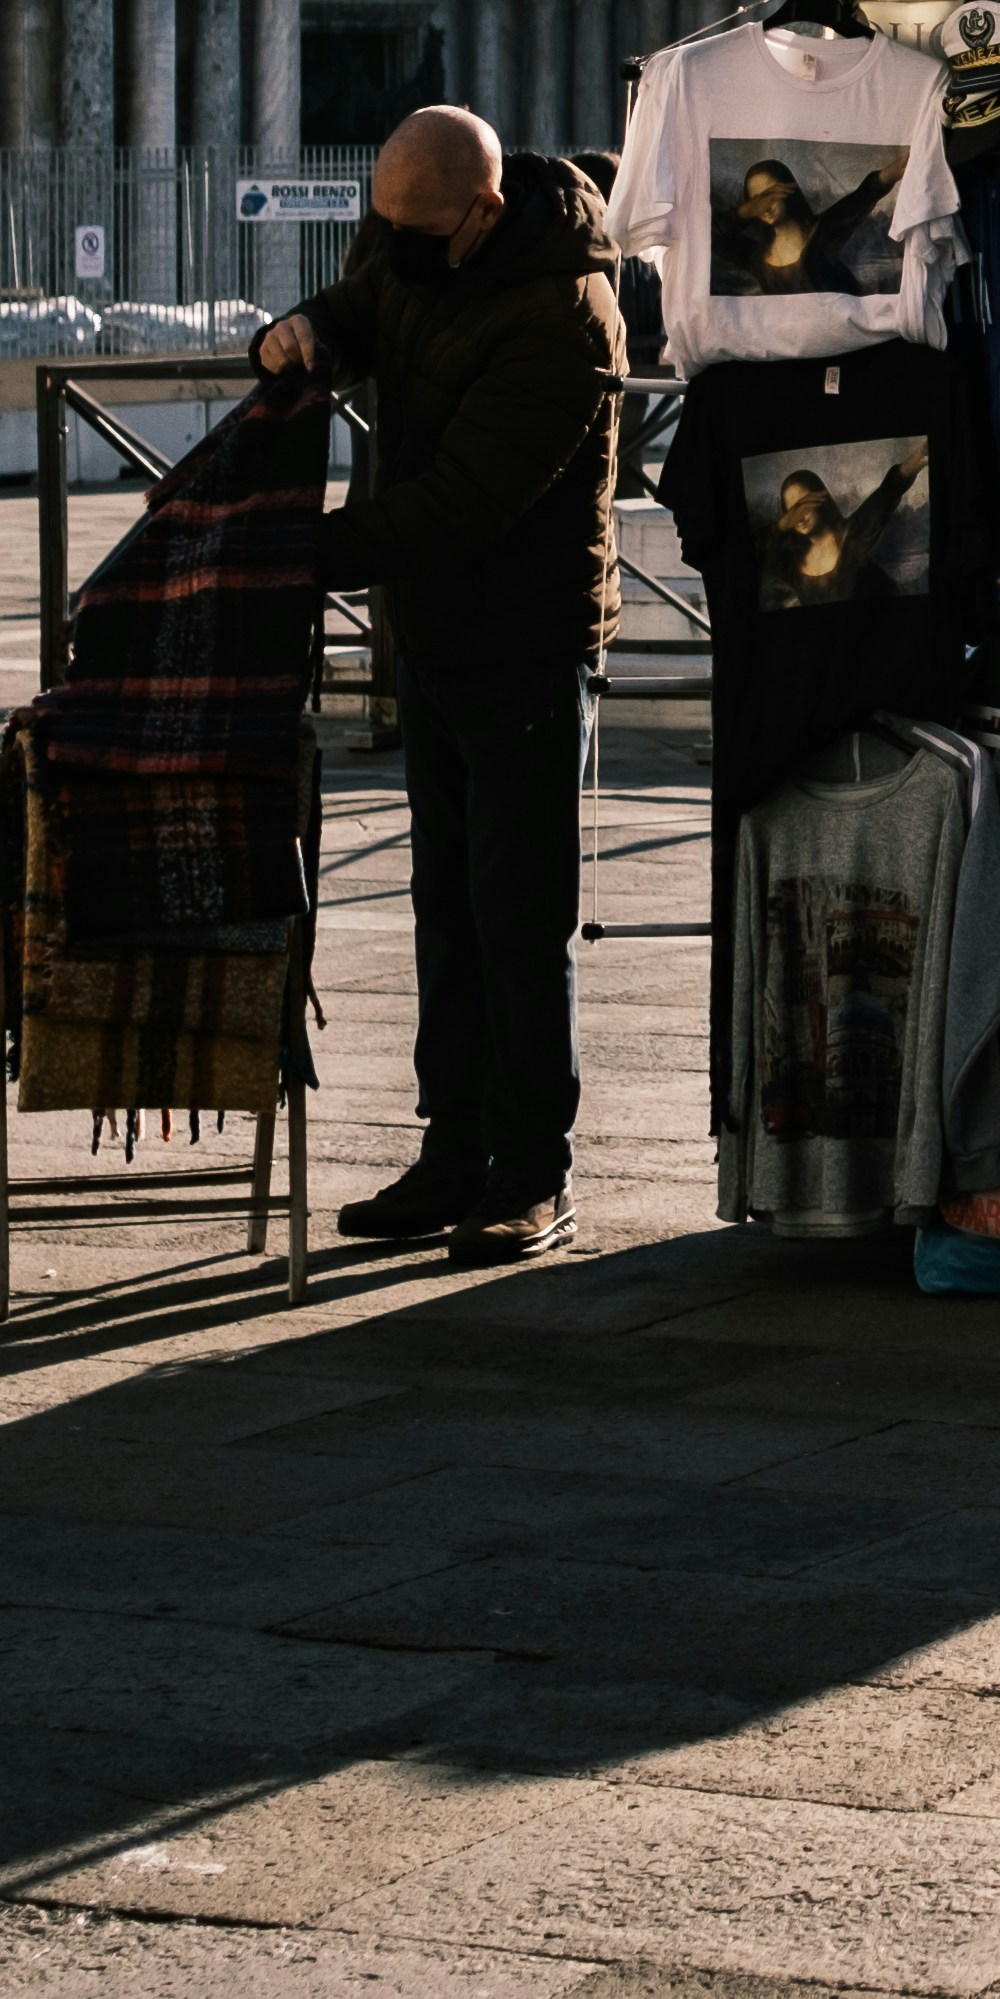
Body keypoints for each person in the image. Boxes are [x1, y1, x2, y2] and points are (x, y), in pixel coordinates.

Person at [260, 106, 628, 1260]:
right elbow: (366, 308)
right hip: (429, 635)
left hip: (525, 637)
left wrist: (305, 551)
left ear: (487, 209)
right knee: (444, 911)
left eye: (414, 231)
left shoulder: (569, 315)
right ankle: (451, 1149)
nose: (392, 249)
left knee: (520, 914)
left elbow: (464, 502)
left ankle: (533, 1173)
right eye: (383, 226)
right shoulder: (411, 236)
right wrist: (304, 328)